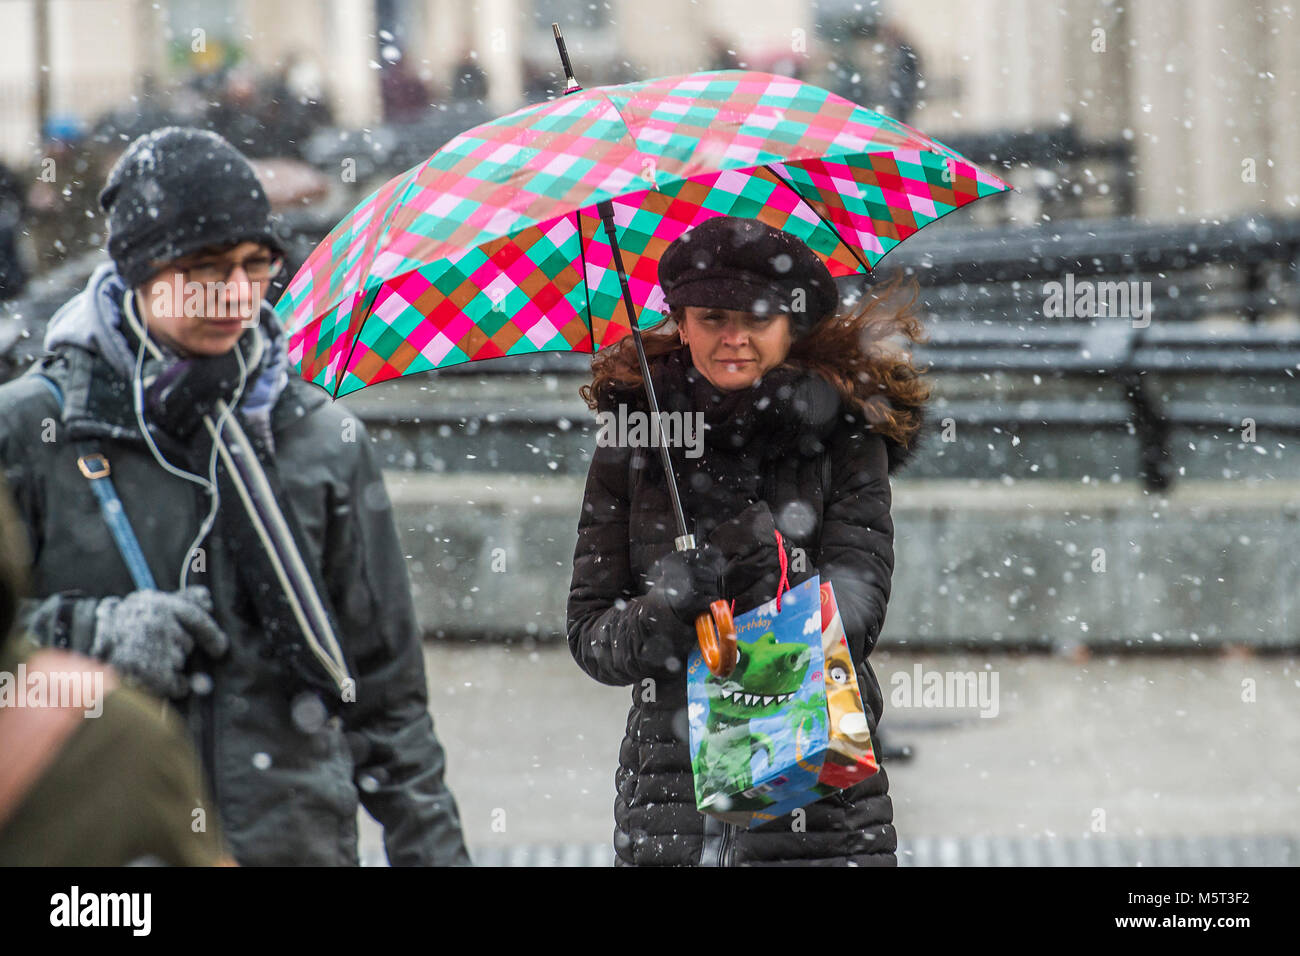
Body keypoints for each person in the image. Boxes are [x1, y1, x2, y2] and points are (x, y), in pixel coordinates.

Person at [0, 127, 471, 866]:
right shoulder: (33, 429)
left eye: (256, 266)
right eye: (203, 269)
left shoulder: (318, 436)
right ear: (138, 271)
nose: (234, 295)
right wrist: (95, 634)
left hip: (292, 843)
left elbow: (386, 698)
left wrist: (433, 854)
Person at [566, 216, 928, 866]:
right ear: (680, 321)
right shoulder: (636, 440)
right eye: (712, 318)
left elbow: (860, 608)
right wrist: (669, 610)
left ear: (791, 325)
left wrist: (763, 581)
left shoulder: (843, 436)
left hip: (816, 792)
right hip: (673, 800)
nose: (733, 338)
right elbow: (591, 635)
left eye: (756, 319)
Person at [0, 474, 234, 866]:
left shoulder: (122, 741)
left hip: (289, 816)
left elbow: (367, 666)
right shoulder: (122, 740)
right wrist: (90, 630)